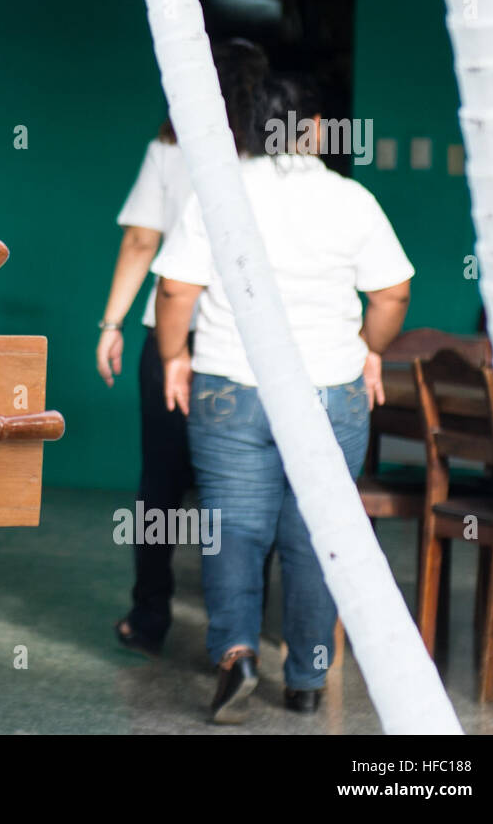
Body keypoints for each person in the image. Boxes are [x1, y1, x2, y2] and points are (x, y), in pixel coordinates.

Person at [152, 45, 413, 723]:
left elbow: (177, 286)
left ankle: (236, 655)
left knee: (232, 529)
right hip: (330, 386)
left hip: (230, 386)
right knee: (317, 535)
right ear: (319, 130)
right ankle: (305, 678)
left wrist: (175, 355)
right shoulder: (351, 199)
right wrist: (367, 349)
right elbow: (393, 291)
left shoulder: (221, 193)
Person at [99, 117, 196, 656]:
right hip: (252, 343)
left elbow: (141, 239)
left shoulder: (170, 145)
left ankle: (150, 616)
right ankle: (238, 631)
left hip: (170, 334)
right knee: (249, 489)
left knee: (161, 481)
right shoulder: (272, 159)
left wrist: (112, 323)